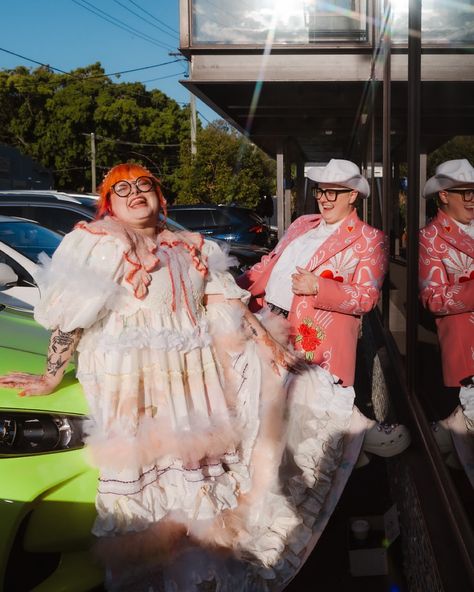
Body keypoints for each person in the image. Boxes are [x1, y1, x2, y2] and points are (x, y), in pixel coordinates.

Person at [0, 161, 399, 591]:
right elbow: (70, 318)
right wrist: (49, 375)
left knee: (201, 483)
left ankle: (197, 578)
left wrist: (272, 348)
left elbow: (226, 305)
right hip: (134, 384)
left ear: (160, 196)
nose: (136, 193)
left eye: (145, 185)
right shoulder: (98, 243)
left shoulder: (191, 247)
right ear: (108, 204)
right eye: (122, 189)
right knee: (148, 489)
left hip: (194, 383)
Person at [238, 158, 411, 463]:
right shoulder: (302, 223)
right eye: (321, 191)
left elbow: (366, 298)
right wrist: (235, 288)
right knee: (270, 410)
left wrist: (319, 287)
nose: (325, 199)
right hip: (267, 323)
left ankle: (348, 458)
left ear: (353, 195)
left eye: (334, 192)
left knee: (313, 412)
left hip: (316, 337)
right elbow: (270, 264)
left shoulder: (371, 240)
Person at [419, 158, 474, 485]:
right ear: (442, 195)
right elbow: (433, 298)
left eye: (473, 191)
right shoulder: (430, 238)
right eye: (461, 191)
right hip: (466, 349)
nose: (470, 198)